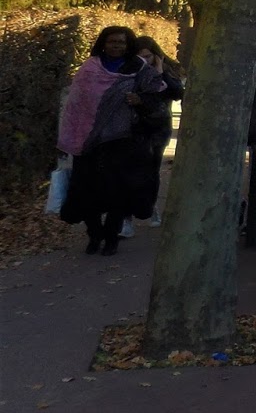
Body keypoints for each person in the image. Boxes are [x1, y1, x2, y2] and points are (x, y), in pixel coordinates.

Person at [57, 26, 166, 255]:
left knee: (118, 193)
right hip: (88, 142)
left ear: (128, 45)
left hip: (122, 142)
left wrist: (140, 100)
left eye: (121, 42)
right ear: (103, 44)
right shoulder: (90, 68)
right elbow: (75, 104)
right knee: (87, 192)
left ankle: (111, 237)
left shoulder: (138, 68)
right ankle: (94, 234)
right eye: (112, 42)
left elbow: (157, 96)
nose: (116, 46)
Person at [130, 35, 184, 226]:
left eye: (148, 56)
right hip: (133, 126)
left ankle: (150, 208)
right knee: (131, 170)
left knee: (151, 170)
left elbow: (177, 93)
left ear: (156, 55)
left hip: (157, 127)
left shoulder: (165, 70)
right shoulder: (130, 71)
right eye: (140, 57)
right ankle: (127, 215)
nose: (144, 61)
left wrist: (160, 70)